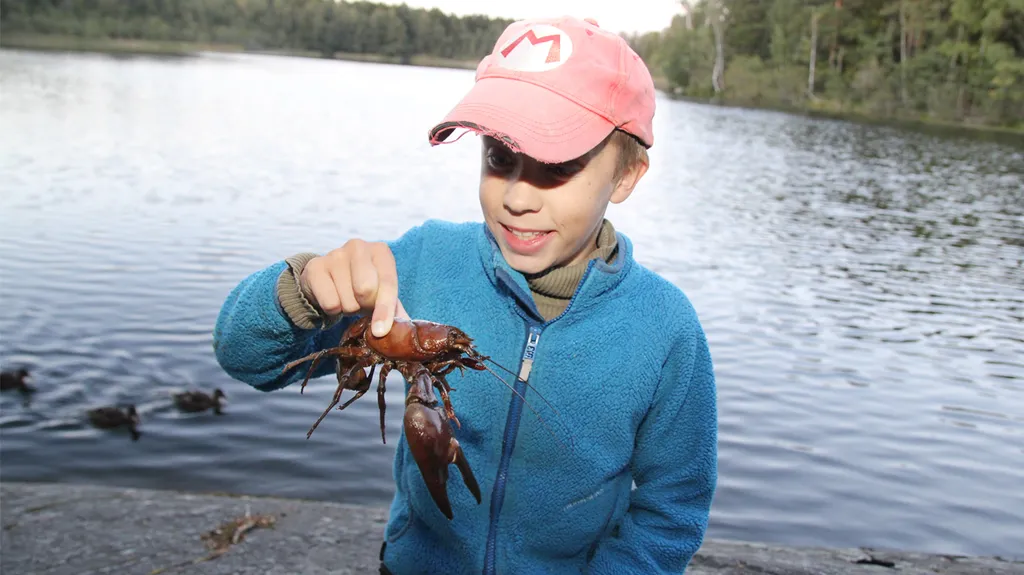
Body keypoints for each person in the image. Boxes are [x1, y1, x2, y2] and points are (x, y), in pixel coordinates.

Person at [213, 15, 718, 575]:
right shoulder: (421, 263)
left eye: (556, 167)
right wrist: (304, 289)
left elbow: (674, 506)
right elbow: (244, 357)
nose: (517, 197)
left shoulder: (665, 328)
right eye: (499, 158)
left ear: (626, 176)